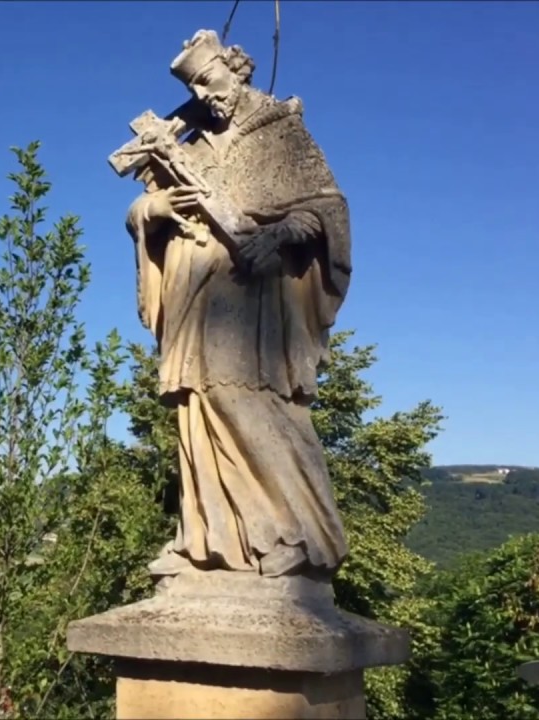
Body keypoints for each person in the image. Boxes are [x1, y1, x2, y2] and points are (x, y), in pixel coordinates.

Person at [125, 30, 353, 579]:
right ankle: (208, 541)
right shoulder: (189, 143)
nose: (206, 96)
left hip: (252, 294)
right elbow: (140, 207)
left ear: (237, 68)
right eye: (195, 89)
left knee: (252, 403)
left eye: (209, 80)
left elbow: (326, 210)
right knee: (197, 407)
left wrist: (278, 237)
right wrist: (153, 209)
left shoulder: (281, 131)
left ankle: (302, 534)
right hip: (191, 289)